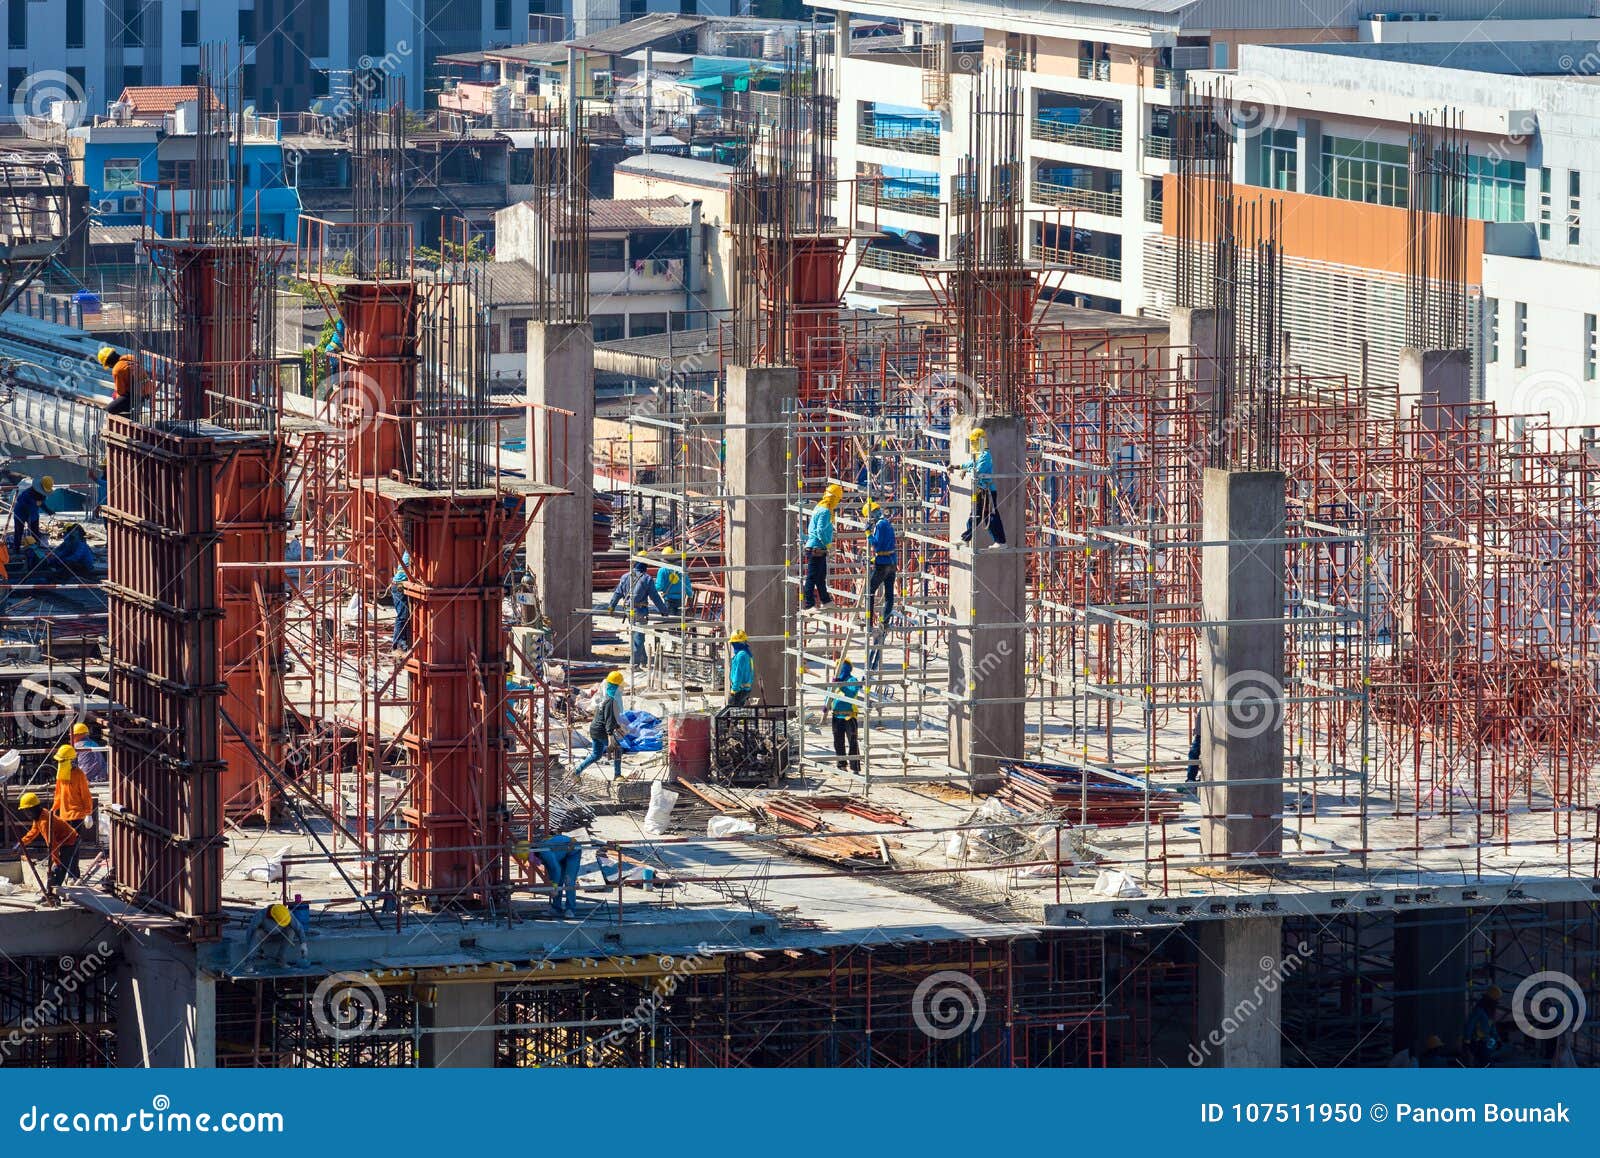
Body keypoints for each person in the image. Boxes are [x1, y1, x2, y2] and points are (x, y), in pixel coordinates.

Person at [10, 790, 80, 888]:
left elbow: (52, 845)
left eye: (27, 811)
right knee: (68, 865)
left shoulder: (44, 822)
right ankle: (72, 883)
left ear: (33, 808)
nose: (26, 814)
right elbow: (33, 832)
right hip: (67, 839)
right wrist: (21, 843)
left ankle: (53, 892)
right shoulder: (39, 816)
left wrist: (56, 862)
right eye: (25, 811)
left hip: (70, 840)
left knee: (60, 867)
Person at [607, 559, 667, 667]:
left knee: (637, 636)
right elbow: (655, 597)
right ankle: (634, 664)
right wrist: (663, 611)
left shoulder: (625, 577)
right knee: (638, 638)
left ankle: (643, 661)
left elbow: (617, 593)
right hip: (640, 612)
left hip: (628, 611)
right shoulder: (647, 579)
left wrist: (611, 606)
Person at [955, 427, 1007, 548]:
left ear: (981, 441)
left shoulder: (986, 455)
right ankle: (966, 538)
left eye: (974, 442)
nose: (973, 444)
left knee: (988, 516)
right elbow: (972, 464)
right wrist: (958, 466)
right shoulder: (980, 455)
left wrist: (965, 470)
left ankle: (1000, 541)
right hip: (981, 491)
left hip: (987, 491)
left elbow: (978, 470)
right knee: (977, 515)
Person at [574, 670, 627, 779]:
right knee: (617, 748)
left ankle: (577, 771)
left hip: (594, 729)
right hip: (601, 730)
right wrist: (611, 738)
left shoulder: (605, 699)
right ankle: (617, 775)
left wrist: (618, 727)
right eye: (620, 687)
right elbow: (608, 721)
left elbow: (607, 718)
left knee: (596, 755)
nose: (622, 689)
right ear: (616, 687)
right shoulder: (611, 701)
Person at [521, 832, 583, 917]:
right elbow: (552, 871)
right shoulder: (540, 853)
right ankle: (556, 908)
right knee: (557, 881)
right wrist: (553, 884)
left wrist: (554, 886)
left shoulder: (545, 852)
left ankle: (570, 909)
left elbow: (556, 869)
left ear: (531, 853)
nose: (530, 861)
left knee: (569, 880)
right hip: (562, 853)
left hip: (573, 851)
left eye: (528, 858)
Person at [802, 483, 843, 610]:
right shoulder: (825, 511)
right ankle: (809, 604)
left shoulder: (819, 507)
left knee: (820, 578)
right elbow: (820, 530)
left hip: (815, 547)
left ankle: (826, 601)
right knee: (813, 577)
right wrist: (827, 543)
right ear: (834, 498)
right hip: (817, 548)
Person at [50, 741, 94, 855]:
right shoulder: (61, 776)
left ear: (70, 760)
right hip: (64, 816)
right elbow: (58, 794)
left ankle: (74, 871)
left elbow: (86, 795)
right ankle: (68, 869)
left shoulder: (79, 775)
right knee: (65, 847)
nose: (60, 763)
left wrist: (88, 813)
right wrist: (54, 809)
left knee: (73, 847)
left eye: (62, 761)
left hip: (77, 817)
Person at [242, 902, 308, 968]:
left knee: (291, 931)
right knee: (257, 933)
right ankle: (249, 963)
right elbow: (250, 932)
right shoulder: (261, 915)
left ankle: (280, 959)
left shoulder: (286, 913)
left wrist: (303, 944)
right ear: (273, 917)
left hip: (280, 935)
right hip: (265, 936)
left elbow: (299, 928)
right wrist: (255, 949)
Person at [827, 659, 862, 773]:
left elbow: (851, 693)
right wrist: (826, 705)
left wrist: (841, 684)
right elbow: (829, 695)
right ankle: (841, 764)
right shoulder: (834, 681)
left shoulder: (852, 680)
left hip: (849, 716)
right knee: (838, 741)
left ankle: (855, 766)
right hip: (836, 716)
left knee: (852, 741)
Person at [1463, 985, 1502, 1066]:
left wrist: (1497, 1039)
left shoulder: (1489, 1012)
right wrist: (1467, 1040)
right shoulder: (1479, 1010)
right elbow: (1470, 1024)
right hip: (1477, 1042)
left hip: (1485, 1042)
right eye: (1496, 1000)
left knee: (1486, 1063)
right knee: (1485, 1064)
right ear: (1491, 999)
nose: (1497, 1002)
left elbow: (1492, 1026)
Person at [10, 475, 51, 550]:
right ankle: (16, 549)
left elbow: (41, 503)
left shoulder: (42, 494)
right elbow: (20, 501)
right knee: (19, 532)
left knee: (35, 533)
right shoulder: (27, 494)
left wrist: (48, 511)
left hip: (33, 515)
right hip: (21, 514)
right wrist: (34, 504)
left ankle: (36, 550)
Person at [98, 347, 140, 417]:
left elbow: (121, 392)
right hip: (145, 390)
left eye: (108, 365)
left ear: (109, 363)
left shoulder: (117, 370)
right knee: (120, 401)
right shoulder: (131, 357)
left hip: (135, 396)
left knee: (110, 409)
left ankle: (129, 419)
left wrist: (116, 398)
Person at [654, 548, 691, 617]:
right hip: (680, 598)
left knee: (670, 621)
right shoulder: (681, 569)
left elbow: (659, 586)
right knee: (680, 621)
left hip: (668, 599)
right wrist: (690, 594)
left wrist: (651, 588)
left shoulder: (662, 570)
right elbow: (687, 584)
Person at [390, 551, 411, 654]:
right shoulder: (411, 554)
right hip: (399, 587)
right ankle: (398, 643)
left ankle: (402, 641)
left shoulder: (410, 552)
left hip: (400, 586)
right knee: (402, 616)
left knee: (405, 615)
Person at [727, 628, 753, 706]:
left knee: (732, 714)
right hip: (745, 689)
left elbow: (738, 674)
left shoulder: (741, 655)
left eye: (733, 643)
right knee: (739, 714)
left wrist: (734, 690)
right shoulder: (747, 654)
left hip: (739, 690)